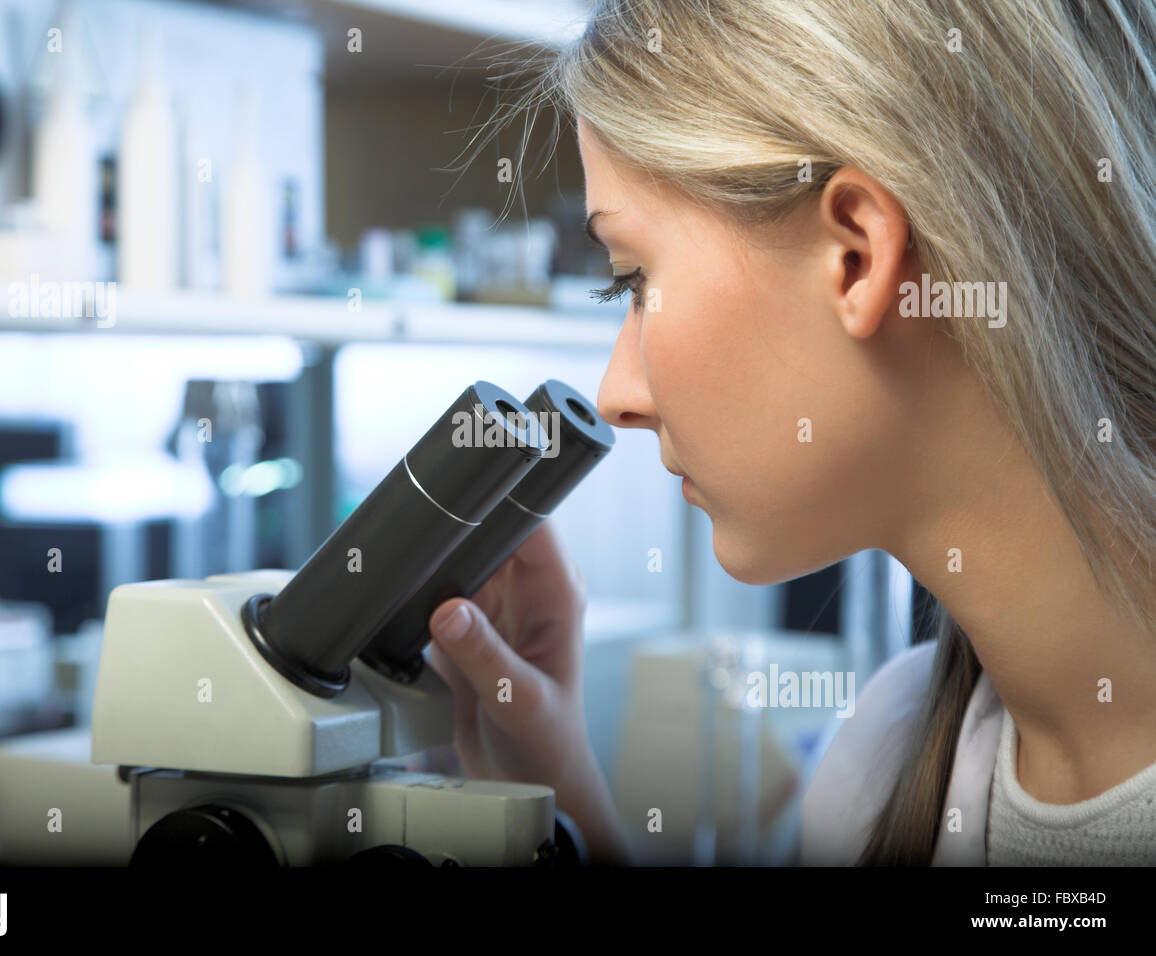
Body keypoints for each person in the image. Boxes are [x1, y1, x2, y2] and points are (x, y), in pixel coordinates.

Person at [426, 0, 1156, 866]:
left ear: (854, 254)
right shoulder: (880, 764)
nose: (616, 397)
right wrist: (564, 812)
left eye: (633, 279)